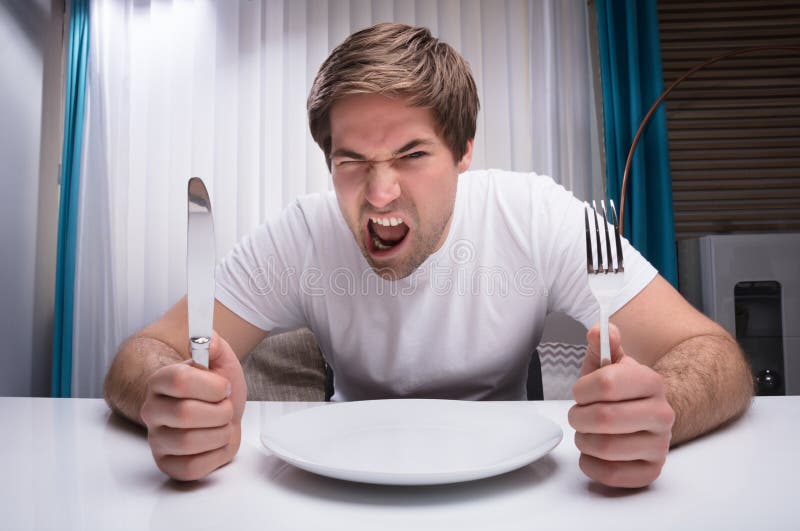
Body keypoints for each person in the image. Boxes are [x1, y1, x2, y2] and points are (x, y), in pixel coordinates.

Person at [103, 22, 753, 488]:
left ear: (464, 151)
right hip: (340, 485)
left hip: (513, 484)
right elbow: (142, 354)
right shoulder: (301, 232)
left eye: (412, 156)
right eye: (351, 161)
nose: (379, 194)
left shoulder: (539, 214)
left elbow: (715, 353)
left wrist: (658, 408)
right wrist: (179, 400)